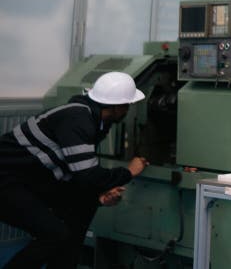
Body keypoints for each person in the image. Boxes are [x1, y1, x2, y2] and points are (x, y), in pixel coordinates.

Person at [0, 71, 150, 269]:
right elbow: (88, 176)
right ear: (116, 107)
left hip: (27, 178)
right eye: (128, 105)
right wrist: (128, 172)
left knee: (81, 209)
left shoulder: (92, 118)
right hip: (6, 181)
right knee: (54, 233)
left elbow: (77, 174)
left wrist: (99, 196)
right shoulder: (78, 120)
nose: (129, 109)